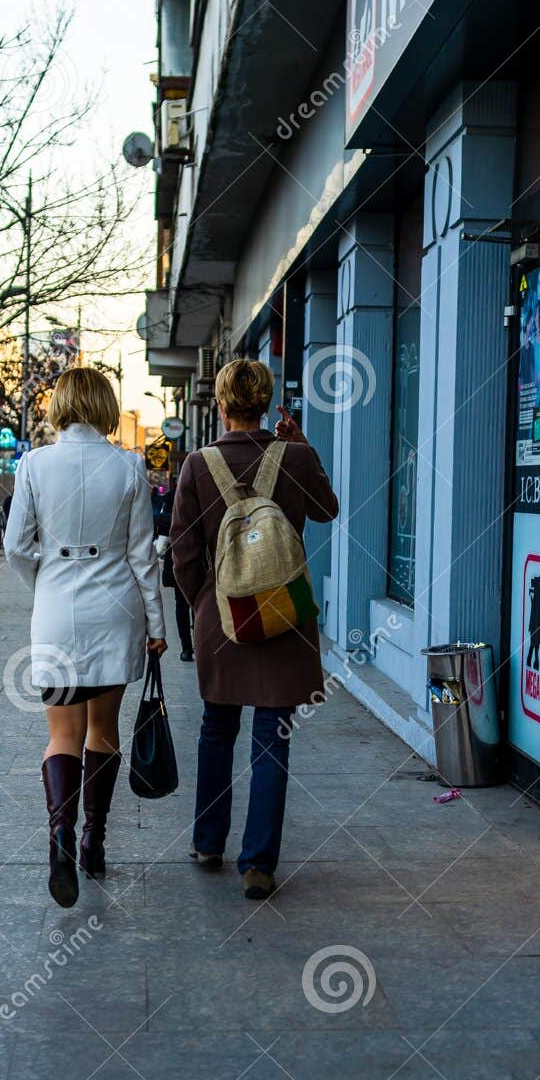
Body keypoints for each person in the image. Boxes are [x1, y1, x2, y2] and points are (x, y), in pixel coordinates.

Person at [171, 358, 338, 900]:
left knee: (216, 729)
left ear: (220, 405)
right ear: (266, 404)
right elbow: (327, 510)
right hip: (285, 613)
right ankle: (259, 863)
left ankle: (207, 841)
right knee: (273, 738)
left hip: (223, 618)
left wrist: (205, 604)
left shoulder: (198, 464)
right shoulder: (296, 456)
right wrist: (304, 444)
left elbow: (183, 551)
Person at [4, 367, 167, 908]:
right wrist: (158, 627)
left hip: (56, 613)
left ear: (58, 406)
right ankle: (95, 839)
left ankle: (60, 837)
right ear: (104, 406)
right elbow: (144, 556)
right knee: (104, 729)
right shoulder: (129, 466)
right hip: (115, 611)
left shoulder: (34, 464)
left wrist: (46, 581)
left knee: (61, 735)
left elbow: (15, 547)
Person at [152, 482, 194, 661]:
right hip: (184, 558)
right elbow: (161, 522)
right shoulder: (174, 498)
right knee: (187, 604)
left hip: (181, 557)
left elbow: (160, 522)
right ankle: (187, 647)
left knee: (185, 605)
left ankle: (188, 648)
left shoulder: (173, 497)